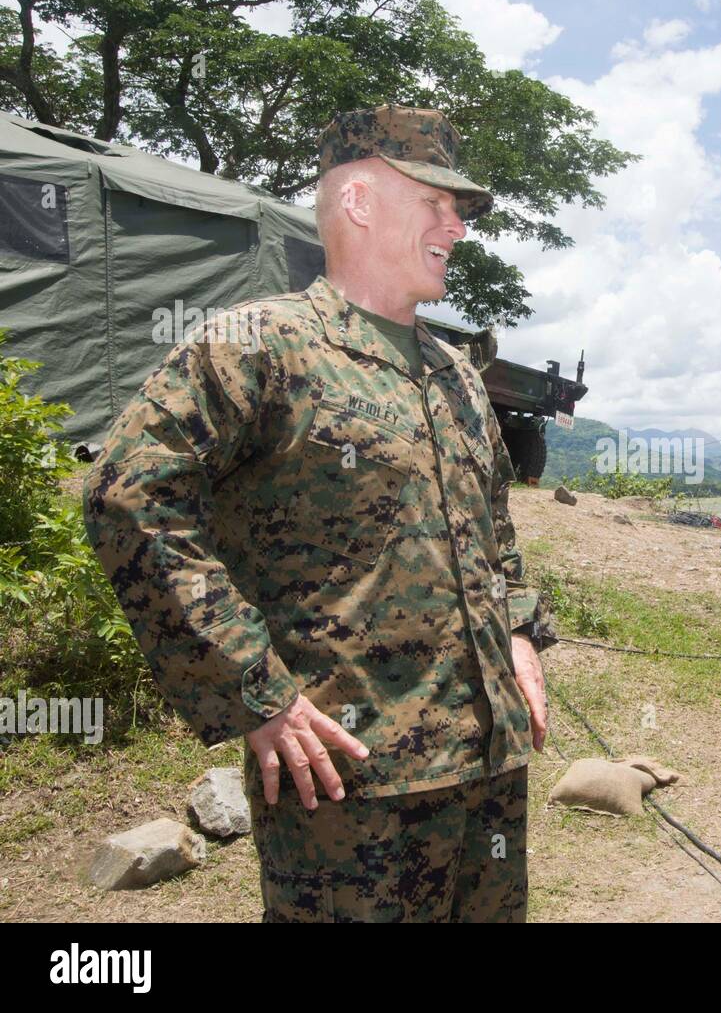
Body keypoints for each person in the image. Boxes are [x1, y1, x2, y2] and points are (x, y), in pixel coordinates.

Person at [84, 104, 552, 922]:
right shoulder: (258, 346)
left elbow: (492, 529)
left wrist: (515, 631)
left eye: (462, 210)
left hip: (488, 765)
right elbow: (130, 497)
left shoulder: (458, 374)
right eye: (435, 203)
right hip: (350, 779)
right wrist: (251, 688)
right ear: (360, 202)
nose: (459, 228)